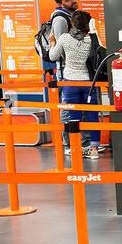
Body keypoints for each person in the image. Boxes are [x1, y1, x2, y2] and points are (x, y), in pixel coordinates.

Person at [47, 9, 101, 161]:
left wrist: (52, 42)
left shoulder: (64, 38)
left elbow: (52, 56)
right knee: (92, 115)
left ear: (72, 23)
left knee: (74, 116)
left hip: (70, 82)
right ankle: (94, 149)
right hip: (88, 83)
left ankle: (74, 147)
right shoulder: (91, 39)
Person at [45, 0, 78, 152]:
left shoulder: (71, 16)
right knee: (67, 105)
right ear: (60, 3)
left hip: (75, 68)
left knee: (76, 104)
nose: (72, 0)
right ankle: (67, 143)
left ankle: (79, 141)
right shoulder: (59, 19)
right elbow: (59, 45)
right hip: (66, 69)